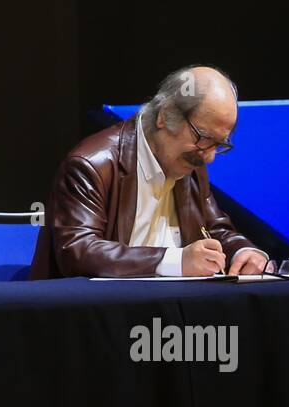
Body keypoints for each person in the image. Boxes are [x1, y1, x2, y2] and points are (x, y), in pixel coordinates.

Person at [29, 65, 269, 279]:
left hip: (167, 315)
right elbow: (78, 251)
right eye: (203, 138)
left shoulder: (191, 164)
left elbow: (215, 229)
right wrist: (175, 261)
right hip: (94, 317)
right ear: (165, 116)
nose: (209, 156)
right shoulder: (91, 166)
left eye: (220, 144)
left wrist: (243, 251)